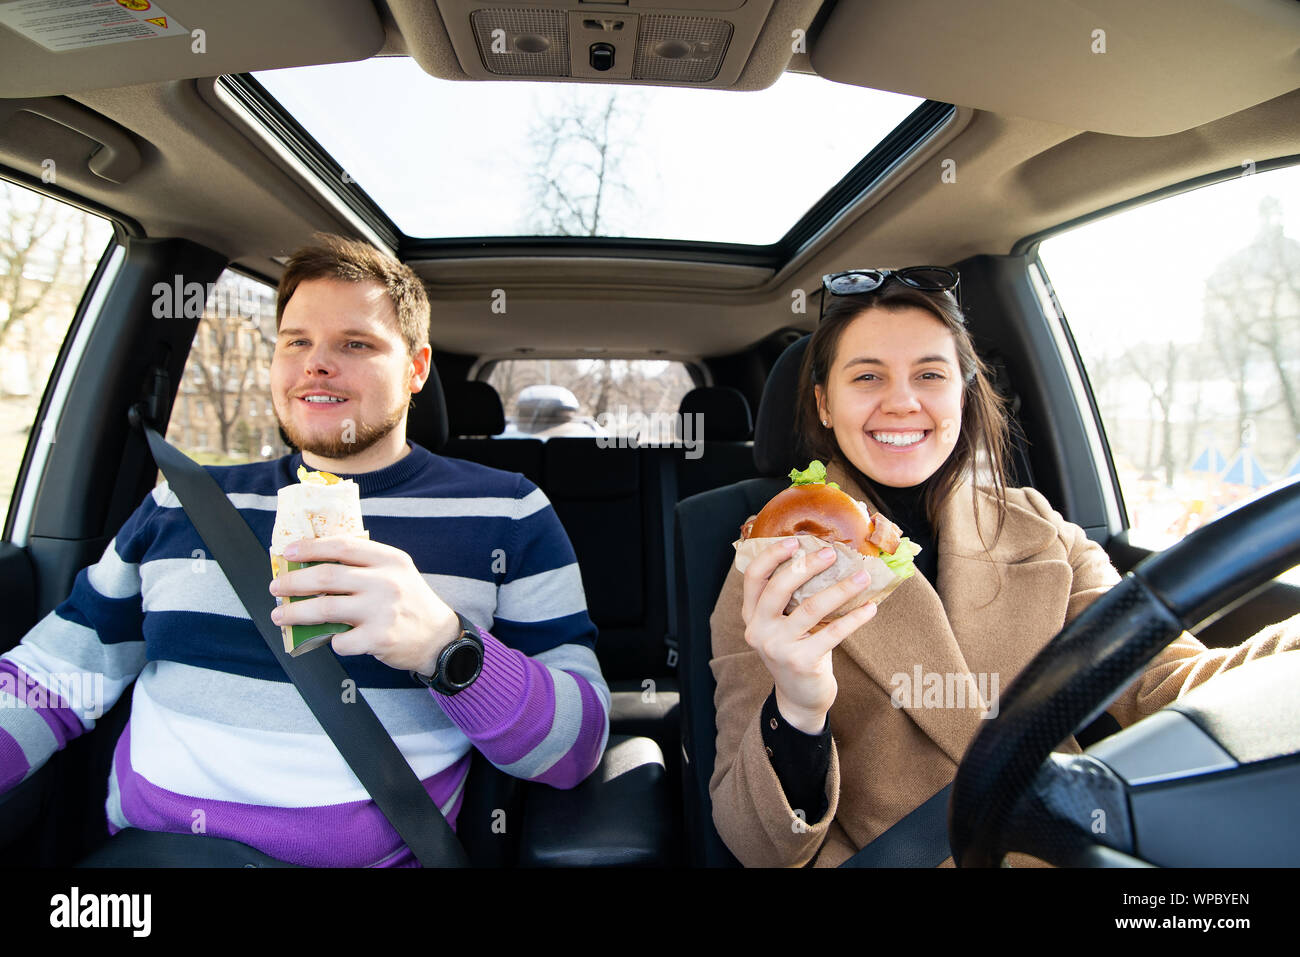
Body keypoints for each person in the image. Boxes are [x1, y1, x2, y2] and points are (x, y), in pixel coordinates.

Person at [0, 234, 610, 867]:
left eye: (356, 343)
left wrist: (443, 645)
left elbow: (574, 751)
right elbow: (52, 681)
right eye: (296, 341)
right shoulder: (180, 504)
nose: (316, 363)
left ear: (416, 368)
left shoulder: (508, 513)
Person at [708, 268, 1300, 868]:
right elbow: (757, 846)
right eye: (867, 377)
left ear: (961, 396)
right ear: (824, 405)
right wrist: (798, 710)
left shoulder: (1041, 530)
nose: (903, 401)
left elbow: (1165, 682)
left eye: (930, 375)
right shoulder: (768, 564)